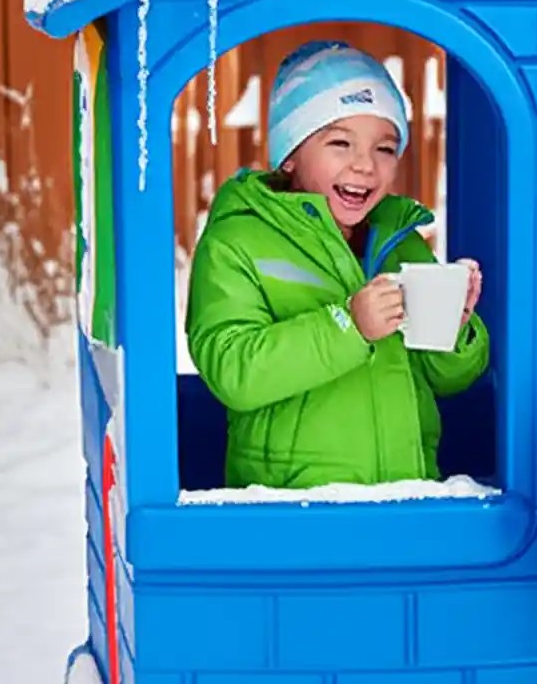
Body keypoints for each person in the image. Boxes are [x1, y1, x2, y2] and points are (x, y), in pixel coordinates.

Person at [185, 40, 488, 489]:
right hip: (293, 508)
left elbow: (445, 380)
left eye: (385, 148)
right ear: (290, 155)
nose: (365, 165)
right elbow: (234, 371)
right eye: (341, 143)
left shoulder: (398, 241)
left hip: (406, 495)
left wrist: (454, 327)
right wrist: (349, 326)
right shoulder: (238, 242)